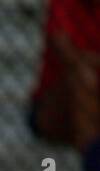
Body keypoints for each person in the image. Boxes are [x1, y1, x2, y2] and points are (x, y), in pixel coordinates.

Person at [29, 0, 100, 149]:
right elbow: (65, 51)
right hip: (56, 103)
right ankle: (94, 168)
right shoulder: (65, 3)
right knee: (84, 78)